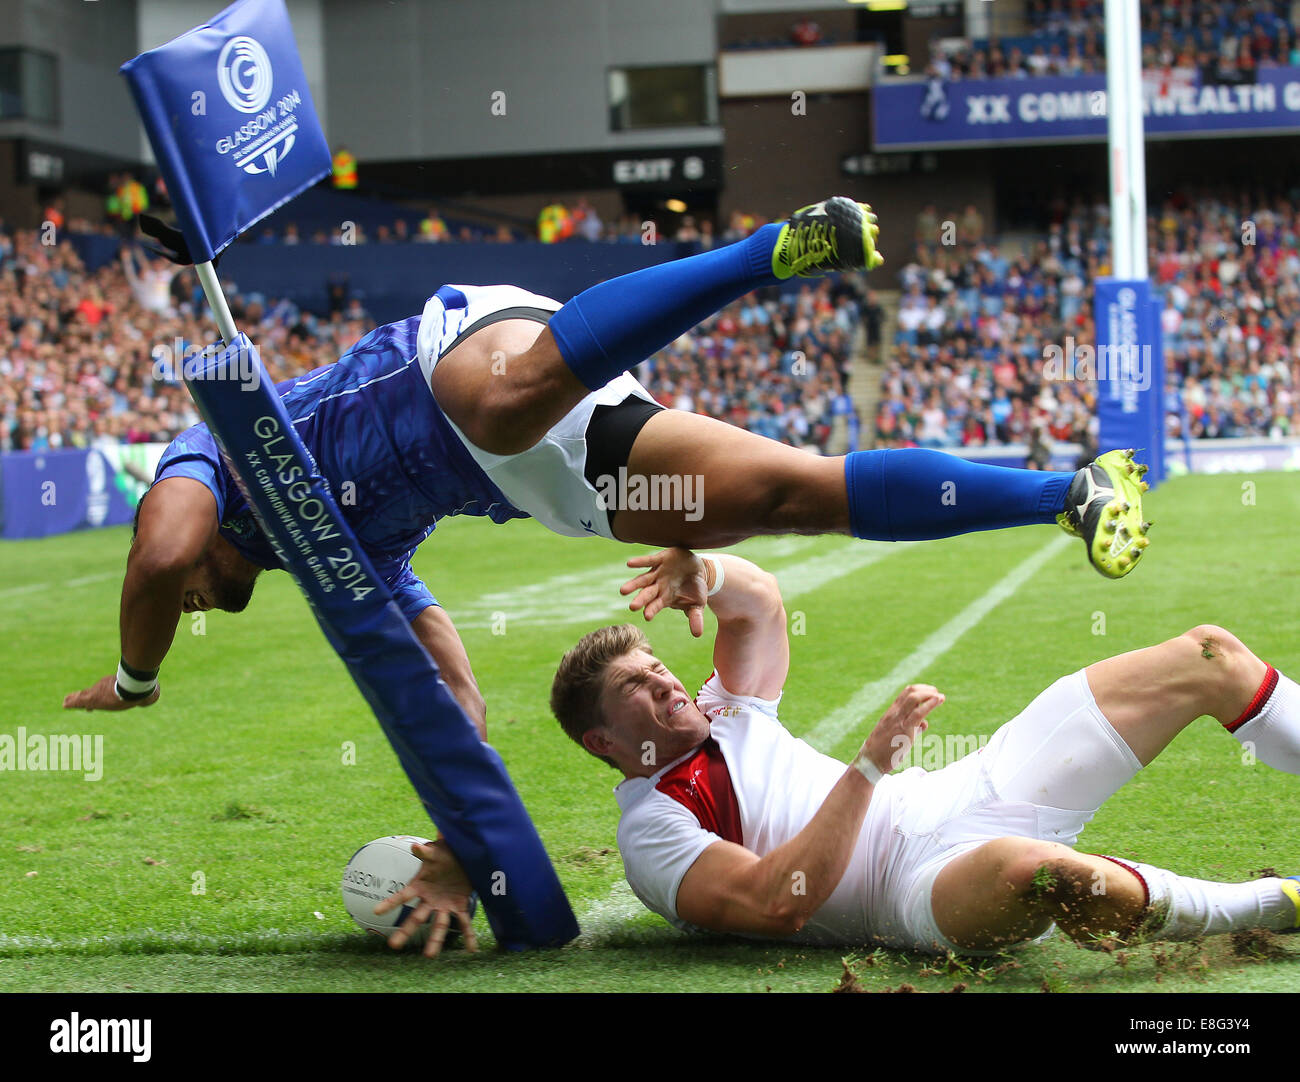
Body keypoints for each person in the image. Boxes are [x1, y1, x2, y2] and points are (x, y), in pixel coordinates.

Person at [64, 197, 1150, 744]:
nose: (185, 594)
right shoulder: (346, 559)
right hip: (552, 475)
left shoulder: (207, 451)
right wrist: (465, 832)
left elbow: (158, 556)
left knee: (501, 405)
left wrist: (136, 680)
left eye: (179, 575)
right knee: (783, 496)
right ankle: (1069, 492)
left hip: (462, 363)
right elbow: (457, 697)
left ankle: (770, 251)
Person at [543, 546, 1300, 955]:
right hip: (913, 890)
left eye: (655, 664)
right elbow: (778, 902)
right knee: (1041, 873)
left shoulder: (725, 710)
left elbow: (760, 601)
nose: (663, 680)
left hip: (968, 786)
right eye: (636, 686)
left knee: (1207, 655)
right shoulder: (652, 829)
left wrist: (703, 571)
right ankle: (1276, 904)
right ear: (602, 741)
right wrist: (869, 766)